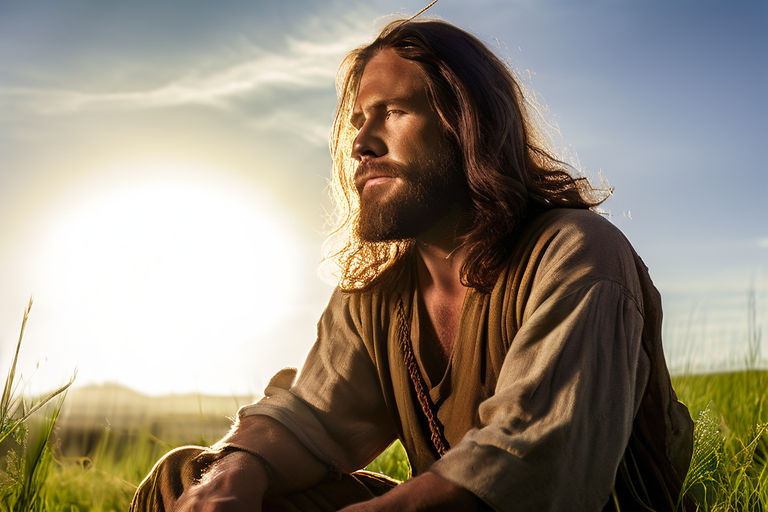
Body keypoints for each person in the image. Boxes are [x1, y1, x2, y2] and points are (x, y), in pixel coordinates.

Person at [131, 18, 694, 512]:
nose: (362, 144)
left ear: (466, 124)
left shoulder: (574, 251)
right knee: (191, 477)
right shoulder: (379, 294)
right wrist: (236, 471)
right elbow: (311, 420)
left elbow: (535, 461)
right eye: (357, 122)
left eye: (393, 112)